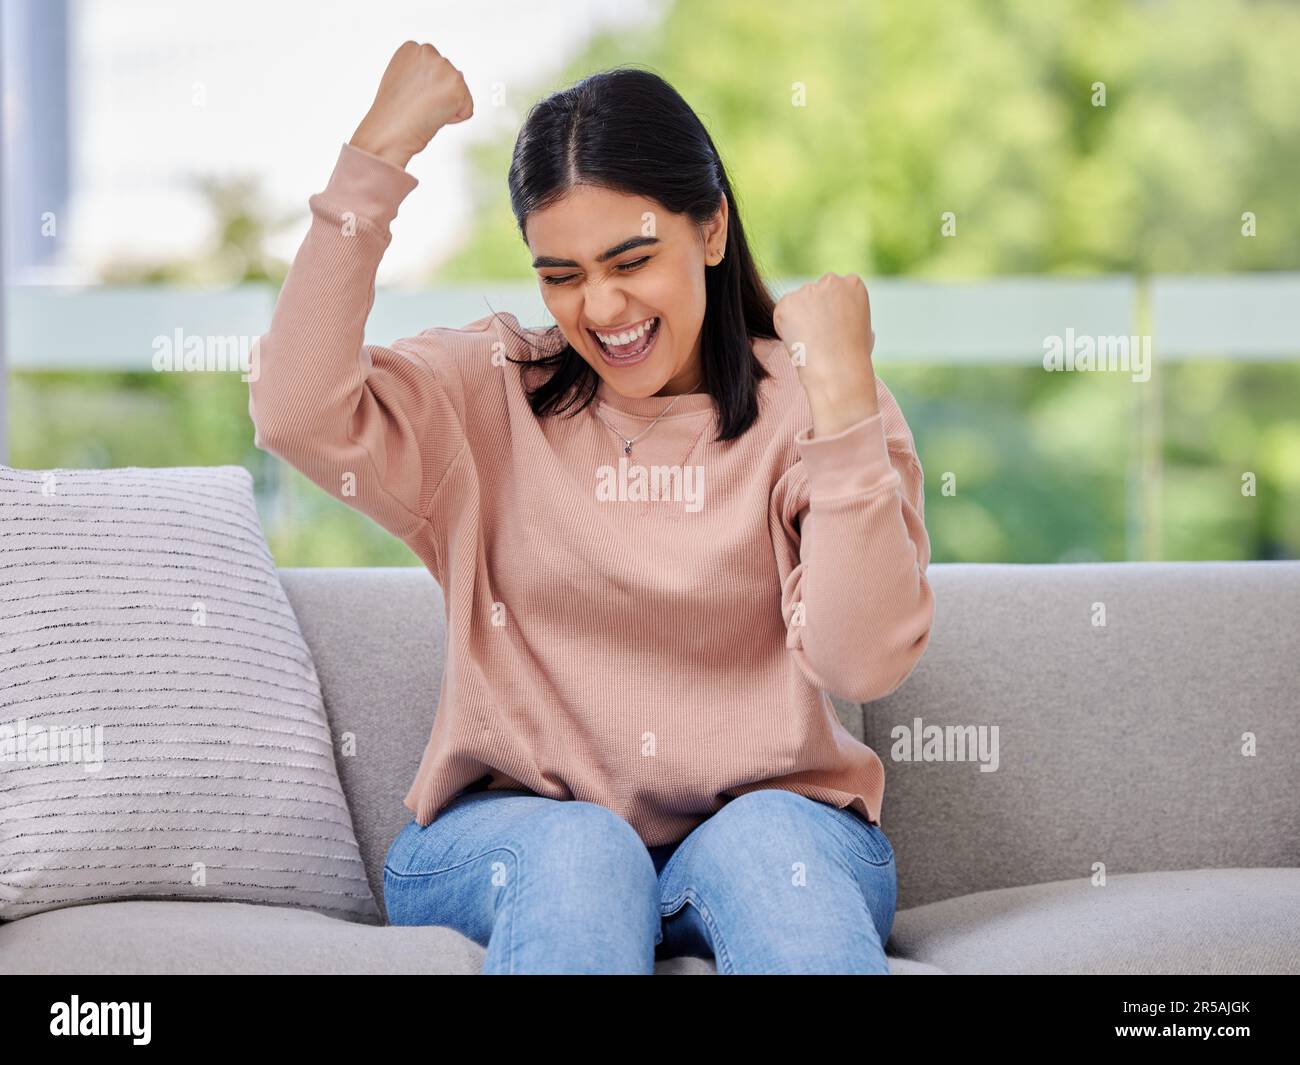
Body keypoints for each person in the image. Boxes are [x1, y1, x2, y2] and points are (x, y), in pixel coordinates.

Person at [249, 40, 934, 974]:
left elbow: (862, 658)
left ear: (713, 230)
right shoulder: (490, 395)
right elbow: (295, 411)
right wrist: (378, 152)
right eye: (560, 273)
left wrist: (847, 402)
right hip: (517, 835)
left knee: (773, 842)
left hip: (771, 832)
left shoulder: (813, 406)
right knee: (588, 848)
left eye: (631, 258)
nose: (601, 306)